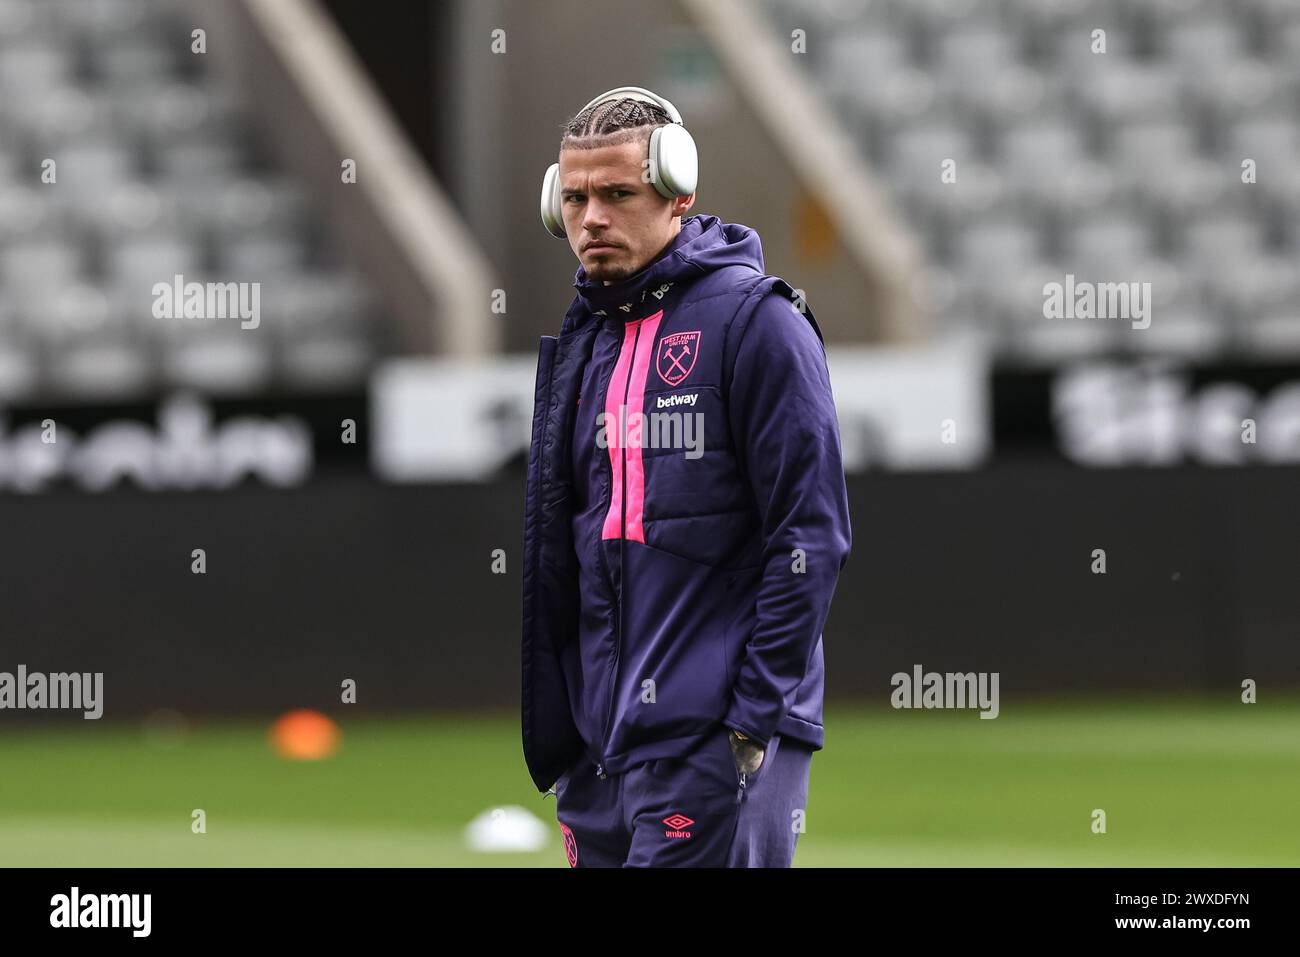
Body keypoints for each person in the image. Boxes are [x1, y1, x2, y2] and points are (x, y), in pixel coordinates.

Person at [522, 86, 851, 866]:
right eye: (574, 198)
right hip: (600, 755)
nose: (592, 217)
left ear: (678, 193)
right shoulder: (583, 342)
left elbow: (812, 536)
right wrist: (569, 735)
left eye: (616, 194)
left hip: (716, 741)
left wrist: (750, 720)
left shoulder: (758, 322)